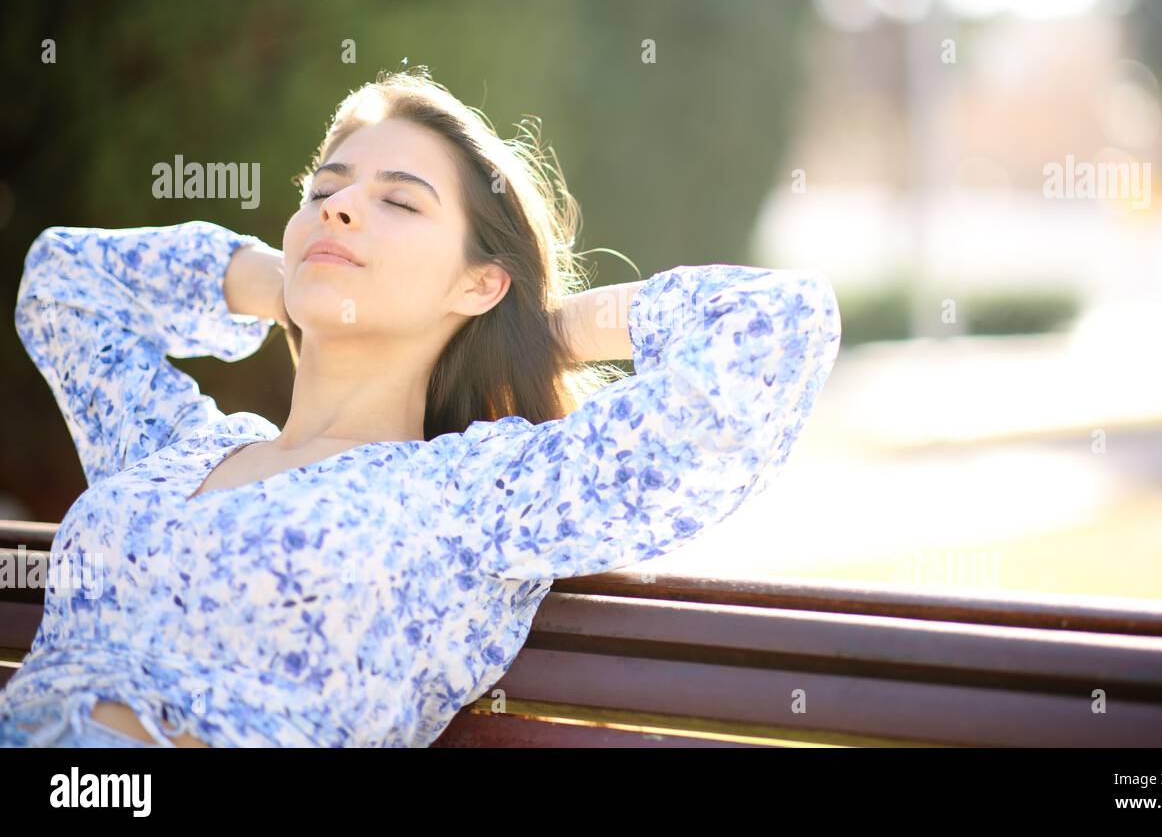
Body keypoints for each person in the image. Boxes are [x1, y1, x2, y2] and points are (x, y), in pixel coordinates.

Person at [0, 67, 842, 747]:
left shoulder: (475, 497)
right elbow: (64, 284)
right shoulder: (164, 450)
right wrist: (277, 280)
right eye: (324, 191)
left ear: (479, 282)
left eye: (399, 202)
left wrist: (549, 330)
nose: (339, 205)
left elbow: (778, 330)